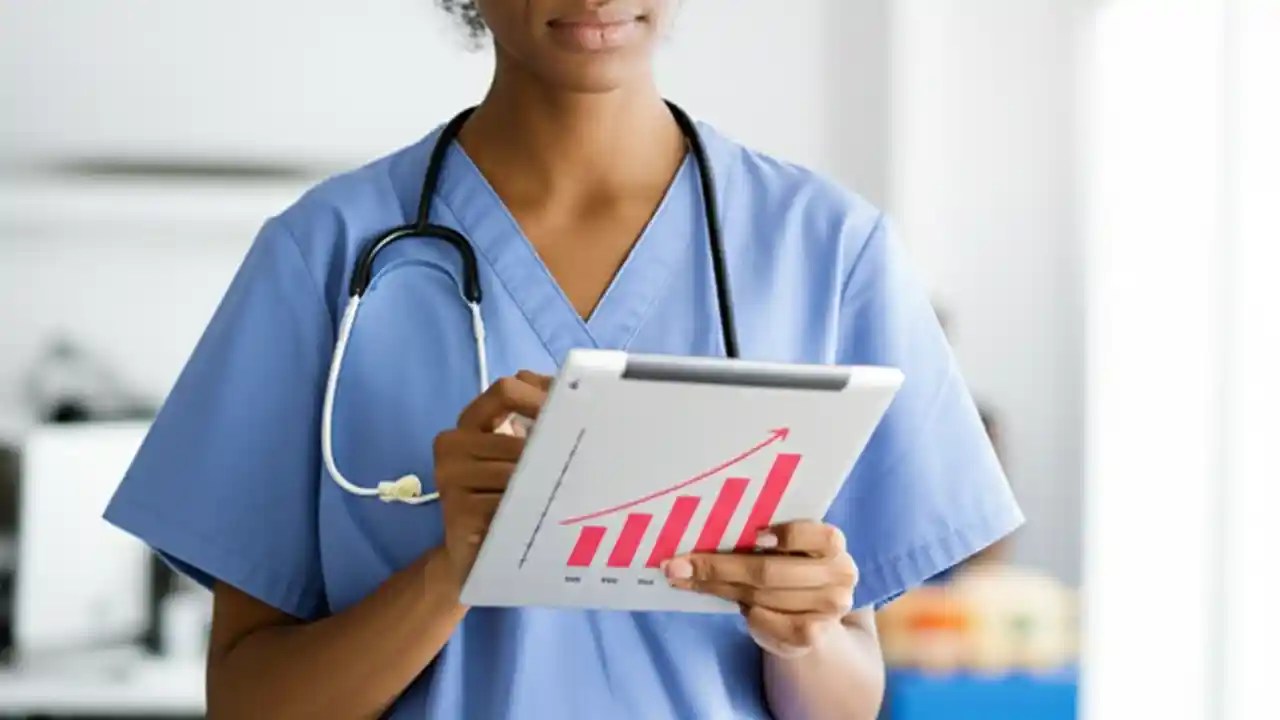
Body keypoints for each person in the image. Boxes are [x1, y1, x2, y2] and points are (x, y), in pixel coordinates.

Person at [104, 1, 1023, 718]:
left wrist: (804, 635)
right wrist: (452, 571)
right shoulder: (324, 254)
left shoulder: (827, 249)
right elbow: (250, 704)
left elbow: (846, 699)